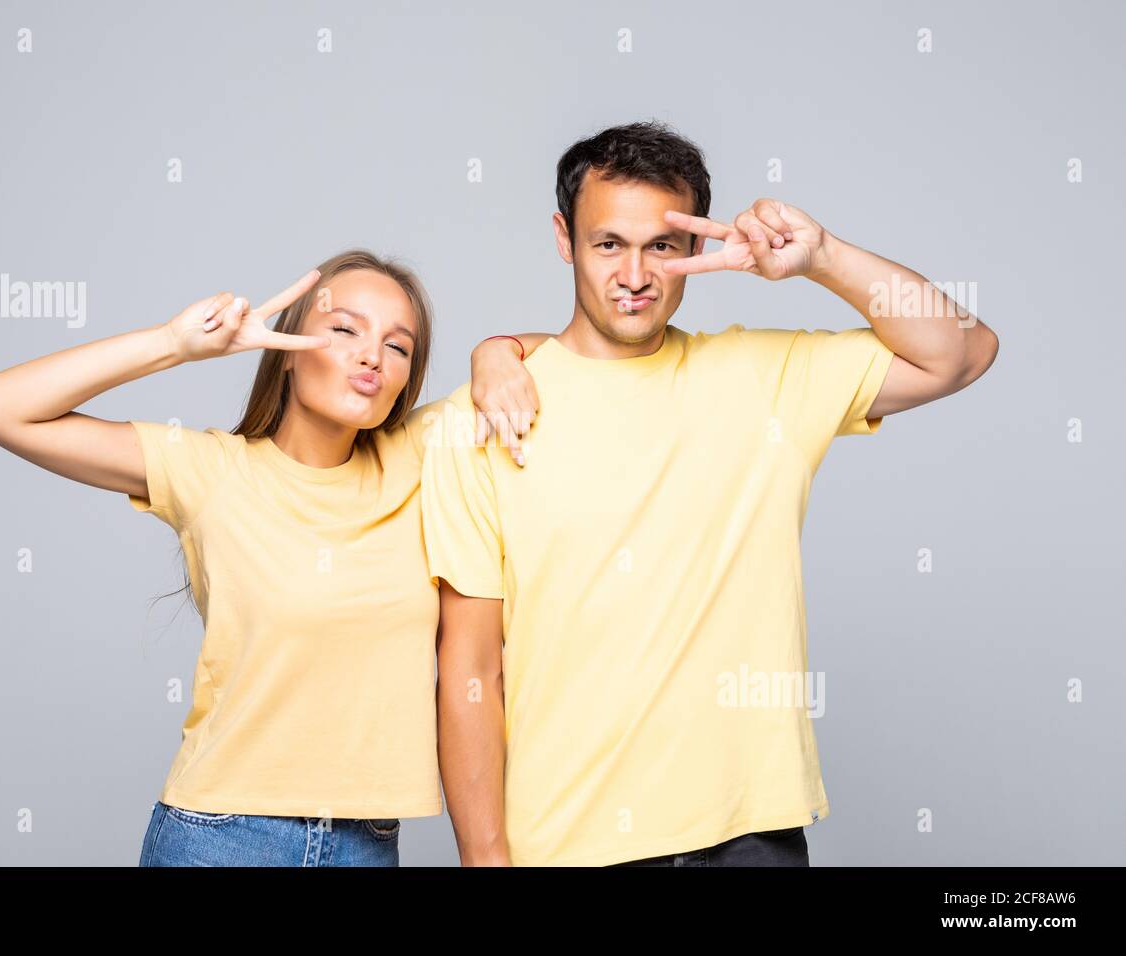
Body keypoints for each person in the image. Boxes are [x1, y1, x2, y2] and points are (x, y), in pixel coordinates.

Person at [421, 121, 1000, 867]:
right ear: (564, 240)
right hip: (566, 844)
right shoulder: (479, 416)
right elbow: (470, 671)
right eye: (609, 244)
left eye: (661, 246)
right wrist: (485, 859)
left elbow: (961, 353)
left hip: (749, 839)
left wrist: (822, 258)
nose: (635, 274)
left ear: (696, 250)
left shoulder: (765, 380)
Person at [0, 248, 547, 866]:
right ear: (287, 349)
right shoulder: (211, 470)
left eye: (398, 347)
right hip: (222, 839)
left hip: (367, 846)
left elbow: (569, 352)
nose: (372, 356)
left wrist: (494, 350)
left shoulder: (425, 454)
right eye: (344, 330)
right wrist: (175, 343)